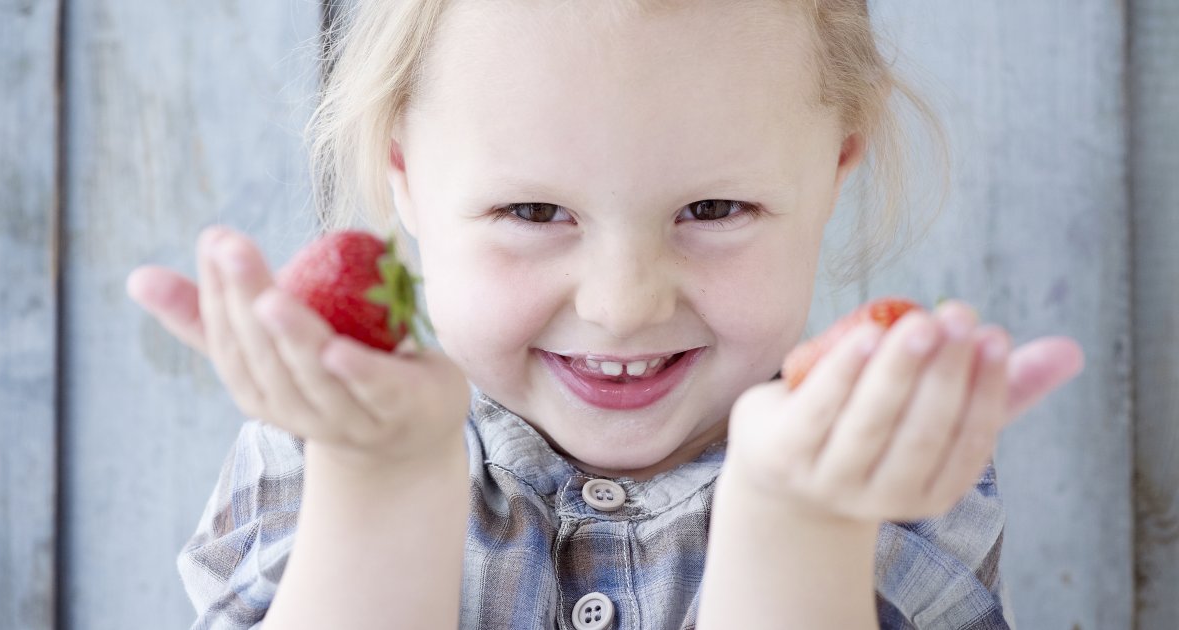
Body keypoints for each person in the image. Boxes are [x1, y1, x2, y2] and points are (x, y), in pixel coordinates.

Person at [127, 0, 1085, 628]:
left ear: (837, 160)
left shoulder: (880, 463)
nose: (623, 305)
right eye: (535, 213)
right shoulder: (318, 448)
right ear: (402, 173)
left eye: (713, 211)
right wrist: (379, 479)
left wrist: (800, 521)